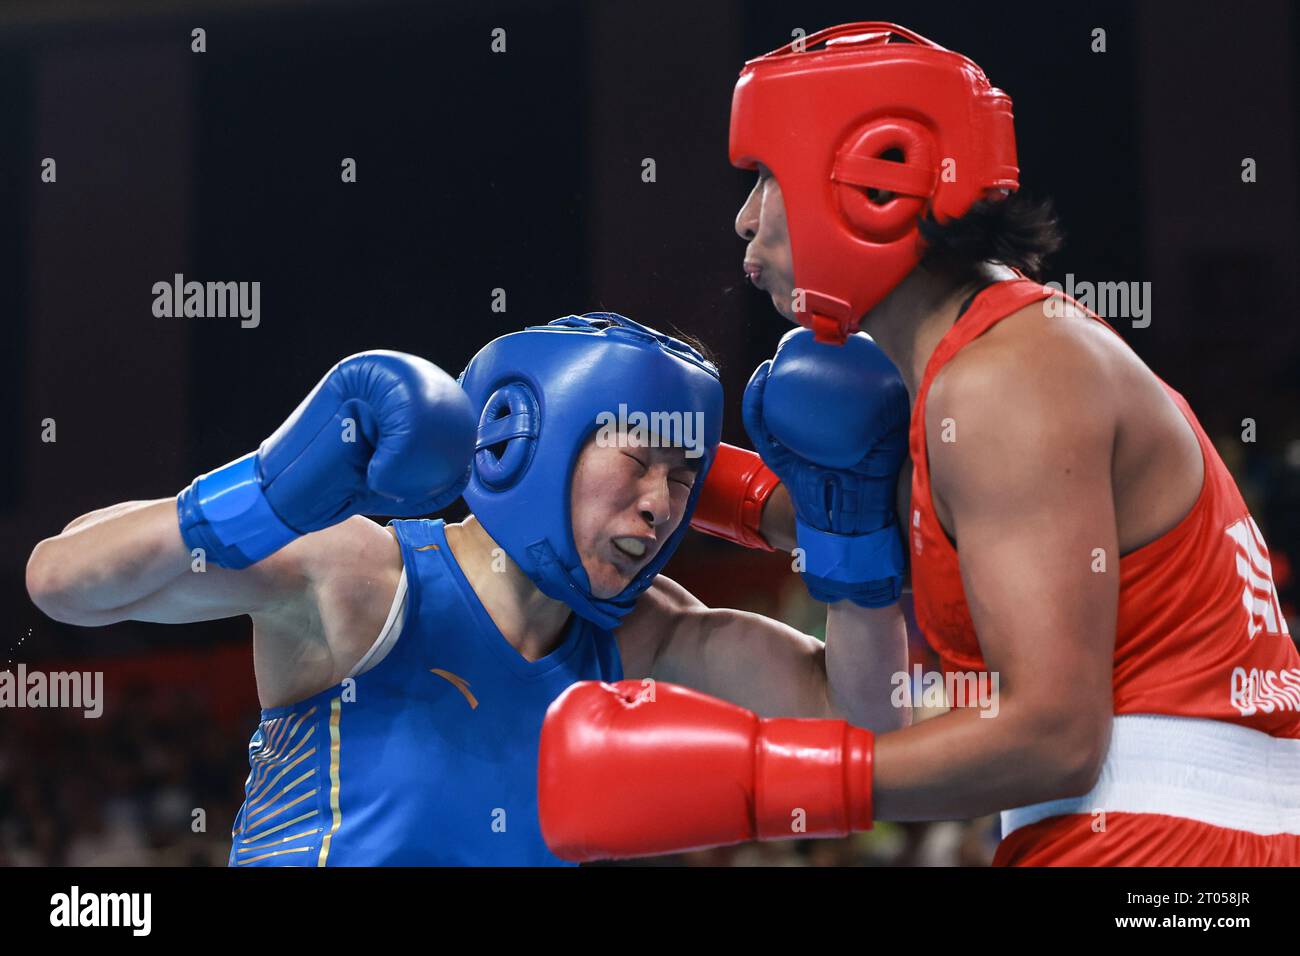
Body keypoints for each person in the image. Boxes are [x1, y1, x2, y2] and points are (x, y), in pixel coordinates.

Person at [540, 23, 1300, 866]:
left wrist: (752, 781)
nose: (744, 218)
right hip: (1162, 839)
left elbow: (1056, 735)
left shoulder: (1005, 381)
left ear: (873, 180)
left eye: (765, 176)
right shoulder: (982, 372)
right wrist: (547, 454)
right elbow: (820, 508)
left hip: (1166, 849)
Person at [25, 311, 910, 865]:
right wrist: (268, 489)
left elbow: (869, 730)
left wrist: (849, 539)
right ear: (527, 443)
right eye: (637, 459)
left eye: (685, 479)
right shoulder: (363, 574)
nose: (659, 506)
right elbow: (62, 581)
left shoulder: (649, 636)